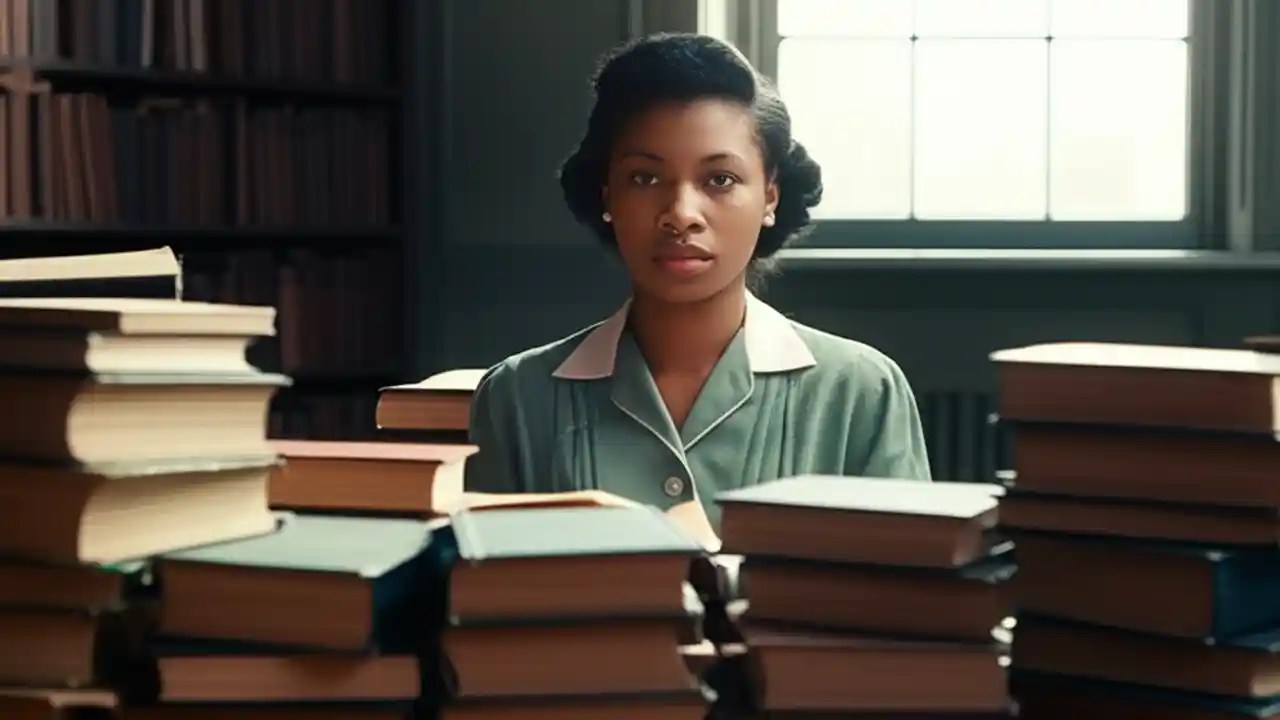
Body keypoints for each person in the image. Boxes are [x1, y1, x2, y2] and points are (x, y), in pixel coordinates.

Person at [464, 32, 931, 530]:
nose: (681, 215)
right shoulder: (516, 397)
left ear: (770, 197)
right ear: (607, 197)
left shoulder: (860, 391)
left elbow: (903, 597)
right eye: (645, 178)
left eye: (719, 180)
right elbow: (493, 596)